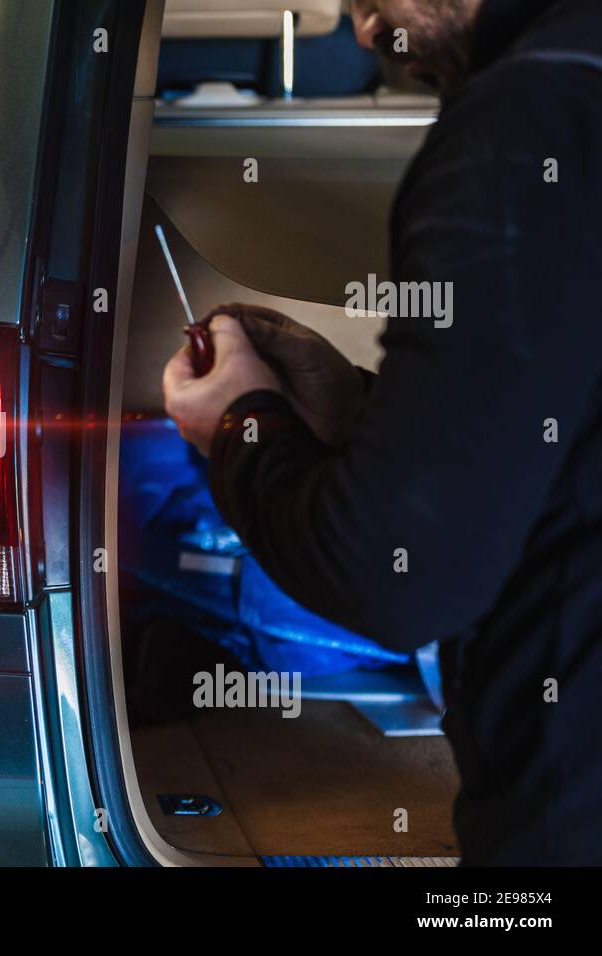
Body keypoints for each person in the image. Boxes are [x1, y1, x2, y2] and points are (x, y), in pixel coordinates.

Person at [161, 0, 602, 865]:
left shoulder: (521, 124)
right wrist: (360, 412)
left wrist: (243, 432)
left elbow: (397, 574)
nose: (366, 34)